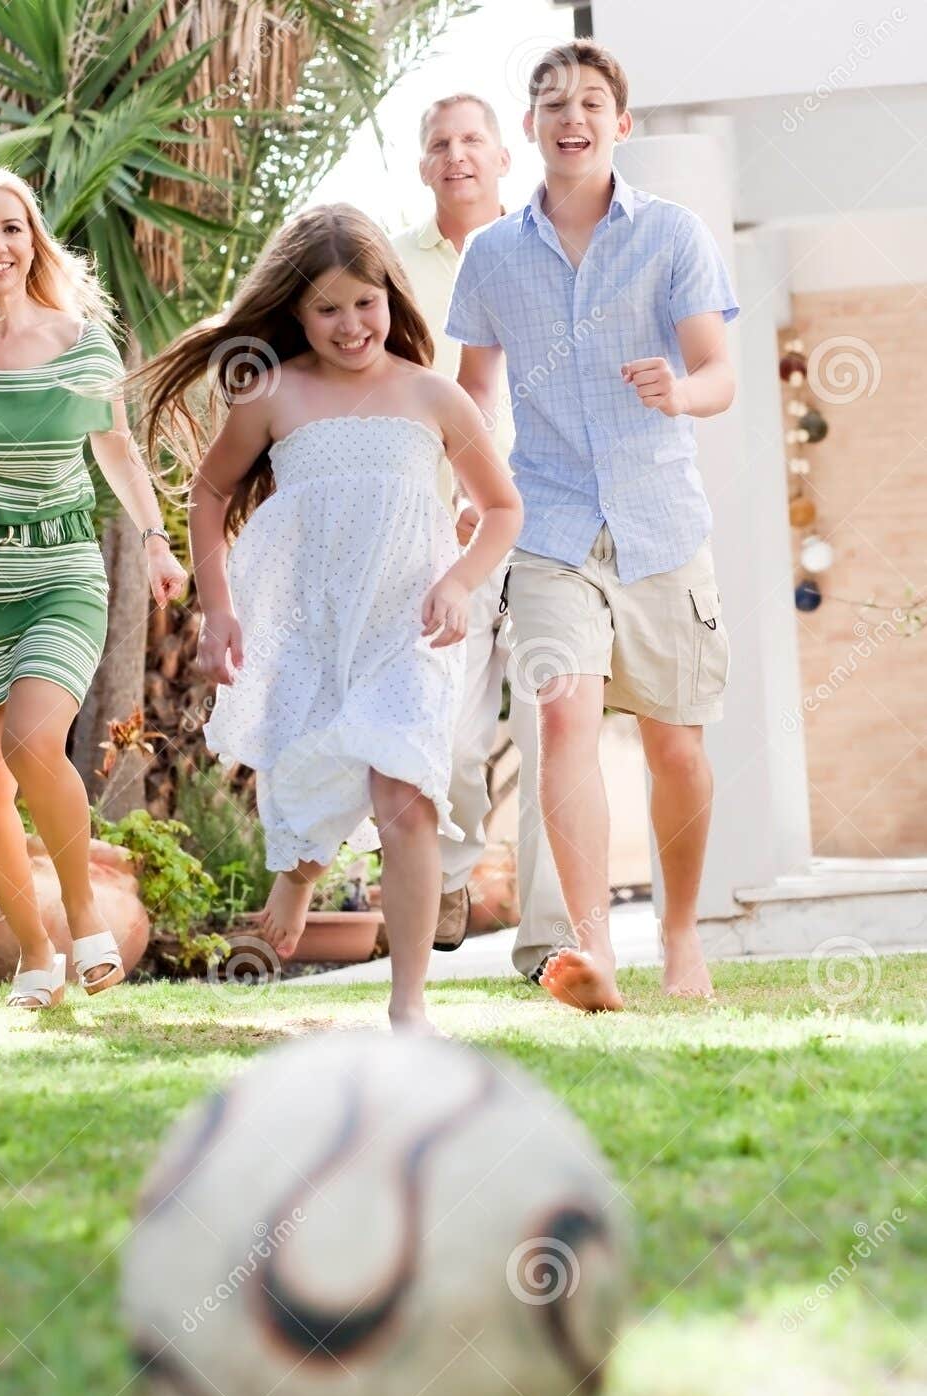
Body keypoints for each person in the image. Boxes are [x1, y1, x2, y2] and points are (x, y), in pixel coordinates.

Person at [140, 204, 521, 1031]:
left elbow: (502, 509)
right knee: (312, 755)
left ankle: (408, 1003)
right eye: (326, 308)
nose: (350, 325)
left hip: (409, 626)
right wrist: (220, 610)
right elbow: (208, 496)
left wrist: (459, 582)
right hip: (312, 621)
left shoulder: (433, 395)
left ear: (390, 295)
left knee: (403, 793)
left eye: (364, 302)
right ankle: (301, 873)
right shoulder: (274, 394)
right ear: (295, 314)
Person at [446, 39, 738, 1011]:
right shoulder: (491, 255)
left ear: (620, 123)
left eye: (588, 102)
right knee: (561, 710)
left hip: (659, 520)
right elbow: (473, 392)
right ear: (529, 127)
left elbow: (718, 371)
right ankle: (588, 949)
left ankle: (680, 930)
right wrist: (472, 480)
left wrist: (680, 391)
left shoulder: (670, 236)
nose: (569, 116)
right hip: (549, 523)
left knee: (674, 747)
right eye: (550, 102)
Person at [0, 167, 187, 1010]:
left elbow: (118, 452)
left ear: (33, 241)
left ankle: (84, 911)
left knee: (29, 741)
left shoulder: (79, 341)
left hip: (59, 570)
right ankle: (34, 956)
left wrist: (157, 538)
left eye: (11, 229)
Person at [392, 94, 565, 979]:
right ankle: (454, 869)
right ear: (422, 166)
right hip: (438, 540)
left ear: (506, 155)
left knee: (548, 735)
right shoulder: (390, 265)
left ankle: (550, 938)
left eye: (471, 141)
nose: (455, 155)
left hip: (543, 527)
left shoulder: (548, 251)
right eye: (438, 143)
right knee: (449, 740)